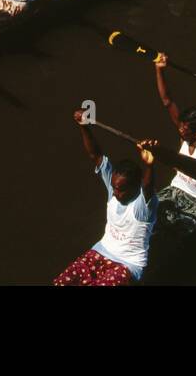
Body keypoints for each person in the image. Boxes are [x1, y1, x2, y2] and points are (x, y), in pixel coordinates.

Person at [54, 109, 156, 286]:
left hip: (127, 265)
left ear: (135, 187)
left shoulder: (142, 206)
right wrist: (84, 127)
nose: (115, 193)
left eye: (121, 190)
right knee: (61, 282)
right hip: (100, 251)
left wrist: (149, 166)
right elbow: (96, 156)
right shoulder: (114, 189)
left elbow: (148, 187)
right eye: (114, 188)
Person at [149, 52, 196, 242]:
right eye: (181, 125)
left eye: (185, 127)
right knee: (146, 211)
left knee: (174, 231)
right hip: (174, 190)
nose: (180, 129)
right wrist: (159, 70)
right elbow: (167, 102)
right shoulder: (185, 137)